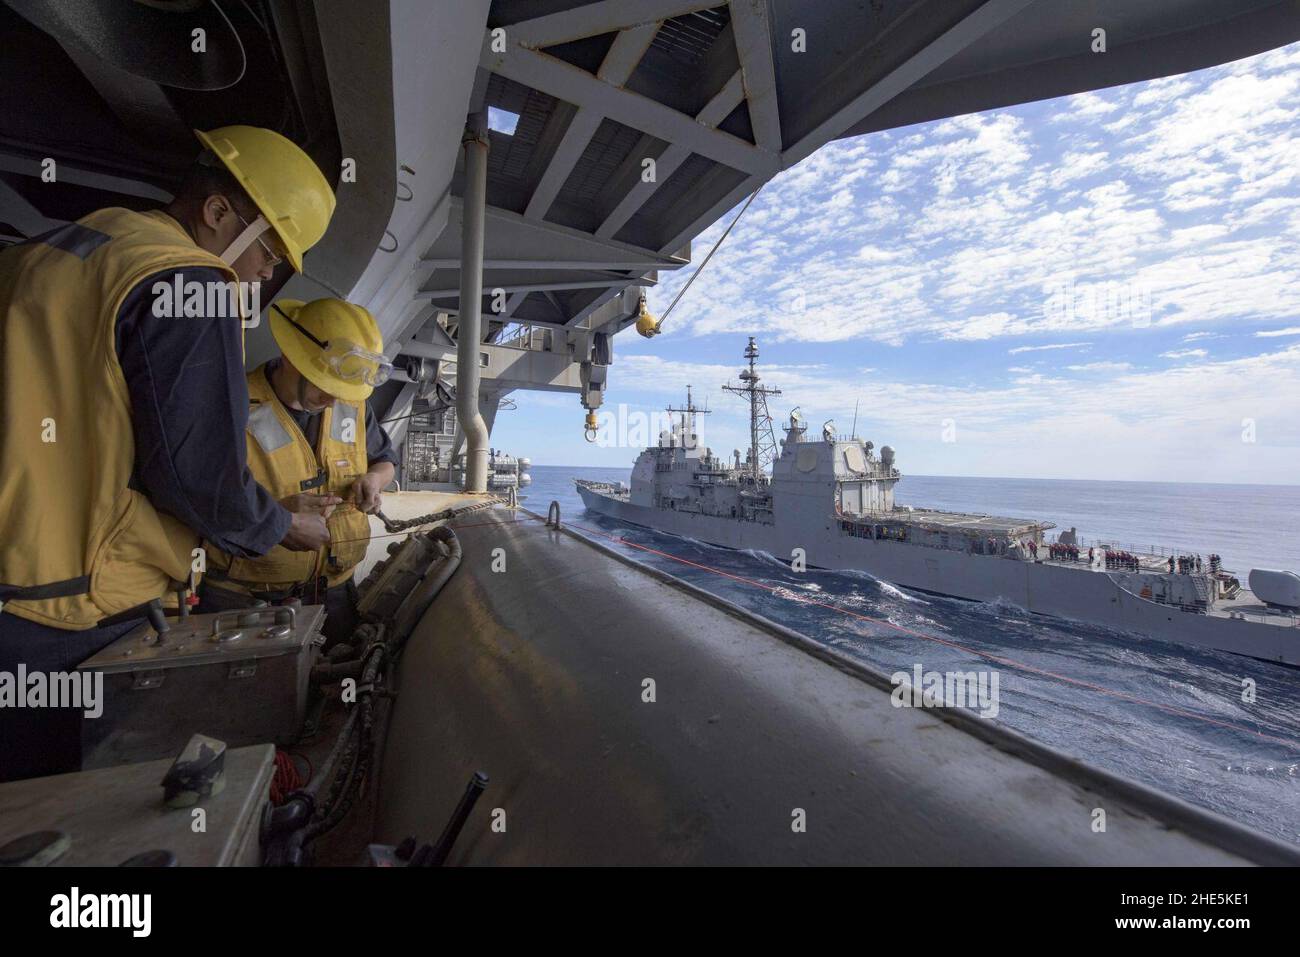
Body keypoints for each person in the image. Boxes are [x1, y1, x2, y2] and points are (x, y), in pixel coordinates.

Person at [0, 126, 336, 781]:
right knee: (55, 822)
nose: (266, 275)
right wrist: (283, 525)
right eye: (269, 253)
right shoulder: (187, 279)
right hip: (65, 613)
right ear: (217, 213)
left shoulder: (54, 250)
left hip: (21, 590)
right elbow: (195, 472)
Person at [196, 298, 396, 646]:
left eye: (343, 391)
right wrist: (276, 517)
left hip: (333, 594)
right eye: (326, 387)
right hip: (243, 602)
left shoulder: (351, 405)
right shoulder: (232, 405)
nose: (335, 401)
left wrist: (374, 480)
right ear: (291, 358)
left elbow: (385, 460)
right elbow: (202, 497)